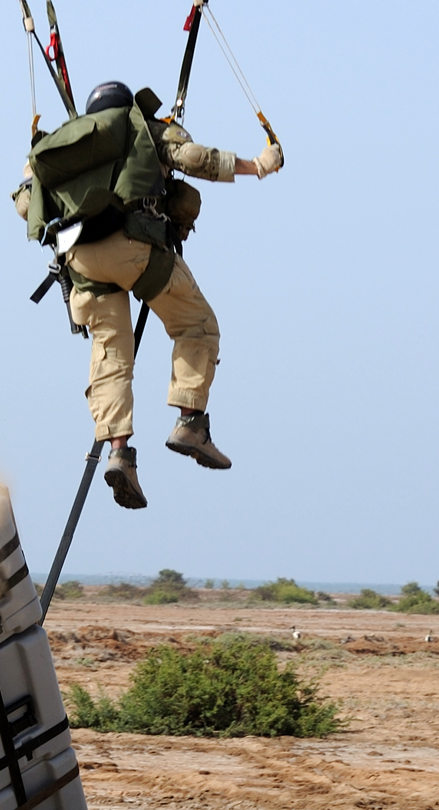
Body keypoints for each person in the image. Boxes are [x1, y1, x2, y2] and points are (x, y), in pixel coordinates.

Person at [15, 79, 281, 509]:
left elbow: (26, 206)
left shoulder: (63, 149)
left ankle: (119, 453)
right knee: (196, 324)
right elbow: (195, 159)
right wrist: (259, 164)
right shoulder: (141, 126)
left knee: (111, 357)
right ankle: (190, 421)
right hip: (132, 251)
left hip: (79, 262)